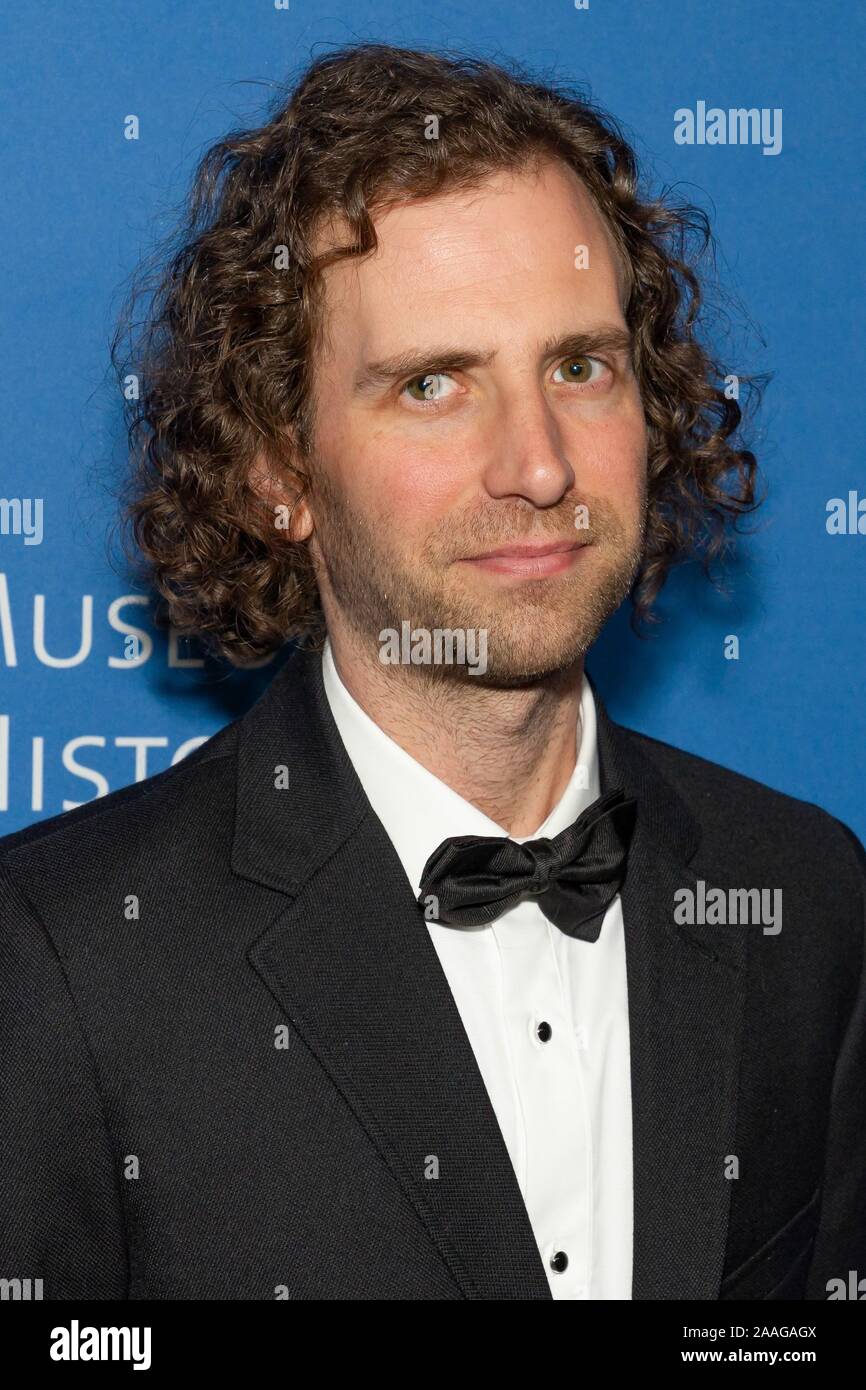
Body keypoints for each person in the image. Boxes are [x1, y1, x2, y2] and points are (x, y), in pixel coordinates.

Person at [1, 43, 863, 1302]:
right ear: (277, 470)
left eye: (578, 366)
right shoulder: (62, 963)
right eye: (432, 384)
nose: (538, 464)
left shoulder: (800, 893)